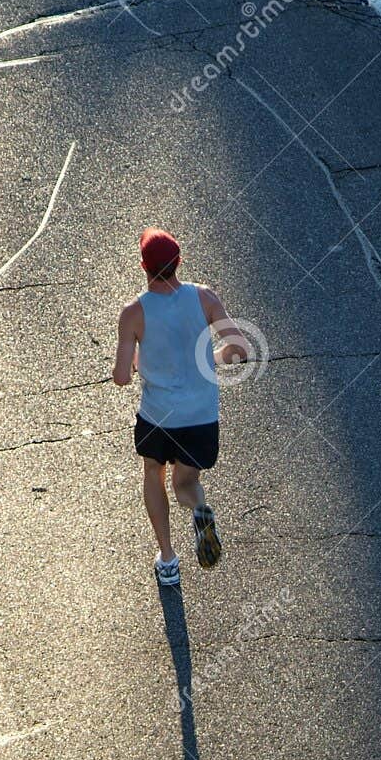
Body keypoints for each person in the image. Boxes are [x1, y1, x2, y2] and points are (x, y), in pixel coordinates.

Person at [112, 227, 249, 587]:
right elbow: (240, 349)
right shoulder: (204, 297)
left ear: (143, 266)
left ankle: (168, 560)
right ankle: (199, 510)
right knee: (186, 482)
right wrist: (207, 359)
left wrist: (138, 361)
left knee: (153, 472)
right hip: (200, 417)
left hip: (158, 417)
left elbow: (122, 377)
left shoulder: (134, 313)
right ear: (179, 262)